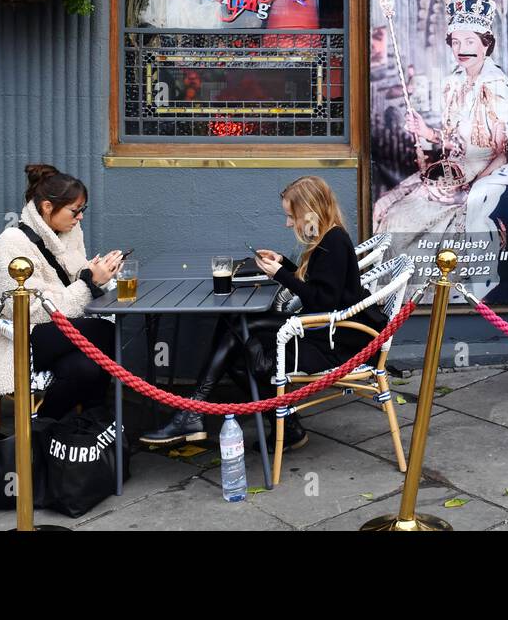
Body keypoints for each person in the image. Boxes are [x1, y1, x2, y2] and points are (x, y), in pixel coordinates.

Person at [141, 176, 383, 447]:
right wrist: (285, 263)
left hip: (331, 342)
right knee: (235, 329)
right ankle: (272, 424)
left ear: (311, 211)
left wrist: (281, 274)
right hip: (321, 329)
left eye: (292, 216)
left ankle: (194, 411)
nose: (288, 223)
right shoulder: (329, 237)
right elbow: (320, 287)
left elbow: (323, 302)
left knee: (237, 331)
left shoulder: (333, 242)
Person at [373, 0, 508, 295]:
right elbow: (451, 140)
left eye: (470, 41)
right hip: (454, 170)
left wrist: (471, 183)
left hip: (491, 171)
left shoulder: (497, 88)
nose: (462, 49)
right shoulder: (452, 84)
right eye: (456, 42)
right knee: (385, 207)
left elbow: (505, 152)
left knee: (410, 220)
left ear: (486, 44)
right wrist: (425, 131)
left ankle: (437, 291)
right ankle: (395, 294)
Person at [0, 165, 122, 420]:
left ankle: (52, 429)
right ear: (47, 207)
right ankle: (87, 424)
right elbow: (27, 310)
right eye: (75, 210)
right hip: (9, 334)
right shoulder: (13, 241)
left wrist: (96, 274)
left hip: (51, 328)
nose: (80, 217)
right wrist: (88, 282)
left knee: (85, 367)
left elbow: (71, 281)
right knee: (105, 332)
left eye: (83, 210)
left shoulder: (67, 234)